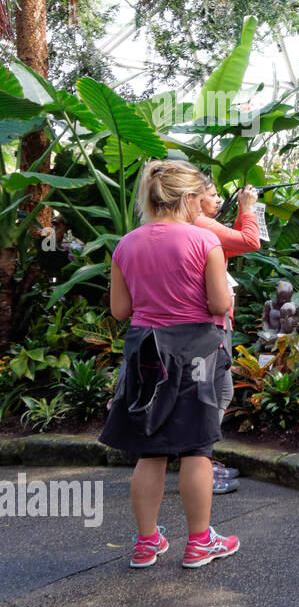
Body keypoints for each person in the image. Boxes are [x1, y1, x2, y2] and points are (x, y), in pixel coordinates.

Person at [100, 159, 241, 569]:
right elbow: (218, 303)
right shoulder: (204, 243)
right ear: (188, 199)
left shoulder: (126, 244)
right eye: (201, 198)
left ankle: (146, 544)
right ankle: (199, 543)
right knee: (197, 447)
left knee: (151, 449)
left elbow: (120, 309)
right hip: (197, 349)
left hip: (145, 350)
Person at [194, 179, 259, 490]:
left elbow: (229, 247)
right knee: (217, 393)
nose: (218, 199)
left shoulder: (187, 227)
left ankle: (201, 461)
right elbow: (250, 241)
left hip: (195, 327)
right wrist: (248, 209)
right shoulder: (201, 224)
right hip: (213, 323)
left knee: (213, 393)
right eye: (212, 194)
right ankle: (200, 466)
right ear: (192, 197)